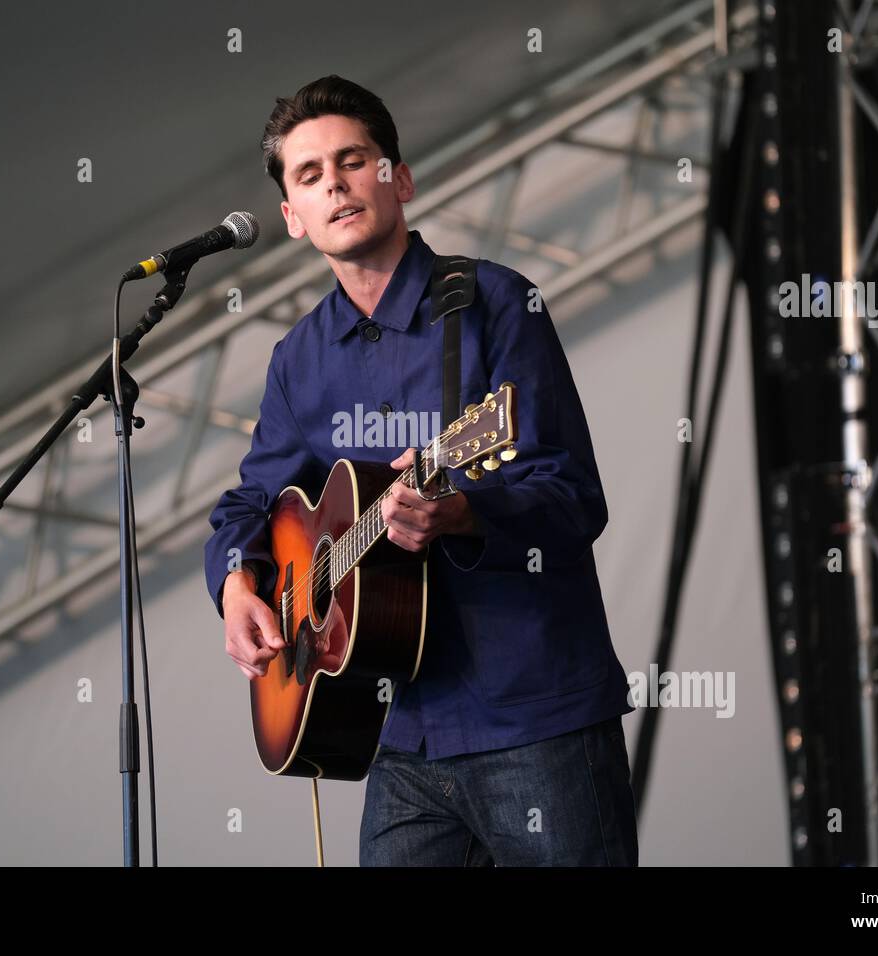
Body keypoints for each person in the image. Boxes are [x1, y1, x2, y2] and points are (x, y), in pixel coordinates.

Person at [203, 75, 637, 866]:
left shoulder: (496, 306)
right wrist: (238, 585)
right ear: (294, 220)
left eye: (353, 159)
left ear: (397, 178)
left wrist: (467, 513)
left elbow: (574, 498)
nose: (334, 182)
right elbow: (250, 503)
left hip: (534, 720)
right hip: (400, 730)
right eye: (309, 176)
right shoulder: (298, 359)